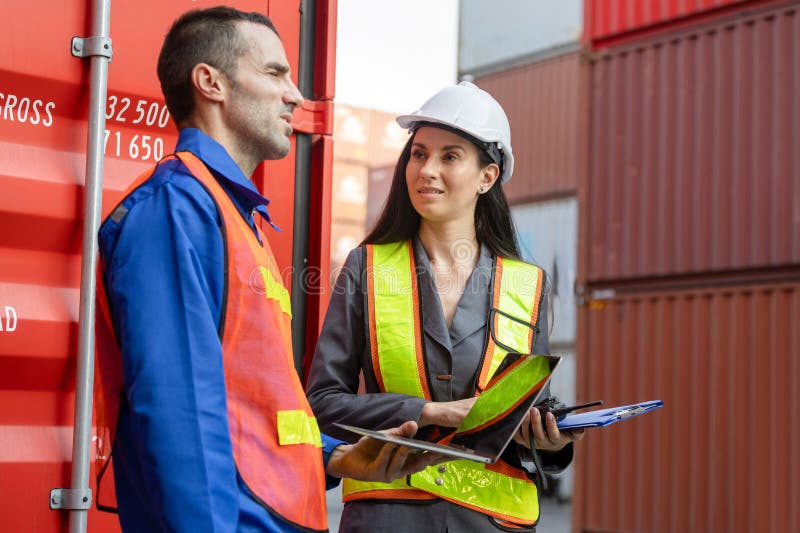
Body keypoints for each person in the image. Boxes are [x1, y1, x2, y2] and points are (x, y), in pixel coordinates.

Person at [93, 7, 440, 533]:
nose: (296, 95)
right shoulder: (178, 209)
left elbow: (252, 406)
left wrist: (336, 457)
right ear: (211, 83)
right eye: (275, 73)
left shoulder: (235, 216)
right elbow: (179, 417)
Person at [306, 81, 586, 532]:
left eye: (449, 156)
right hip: (388, 519)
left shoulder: (527, 284)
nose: (426, 170)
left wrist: (550, 439)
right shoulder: (367, 268)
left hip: (490, 522)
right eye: (418, 154)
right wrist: (426, 413)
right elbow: (321, 404)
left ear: (486, 177)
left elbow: (519, 418)